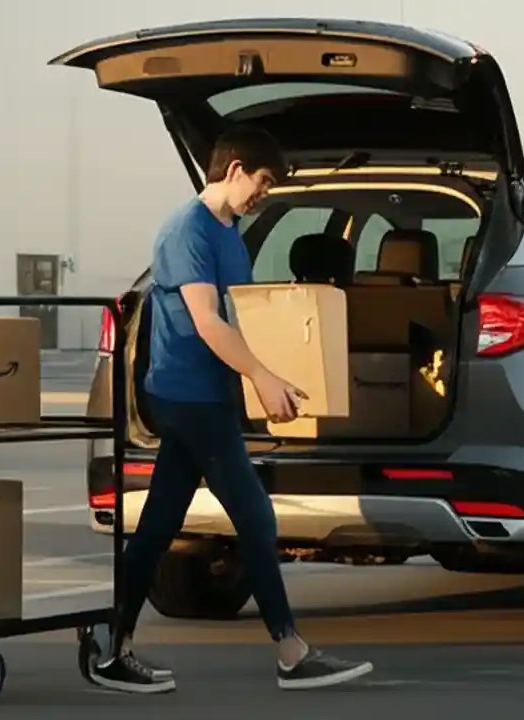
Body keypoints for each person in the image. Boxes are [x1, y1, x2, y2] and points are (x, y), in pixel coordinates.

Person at [91, 126, 375, 693]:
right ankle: (291, 651)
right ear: (236, 167)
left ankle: (113, 649)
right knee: (254, 515)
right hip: (186, 395)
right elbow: (207, 320)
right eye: (263, 182)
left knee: (158, 525)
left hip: (210, 395)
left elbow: (244, 315)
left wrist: (277, 372)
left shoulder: (231, 232)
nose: (263, 195)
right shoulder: (186, 230)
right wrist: (263, 378)